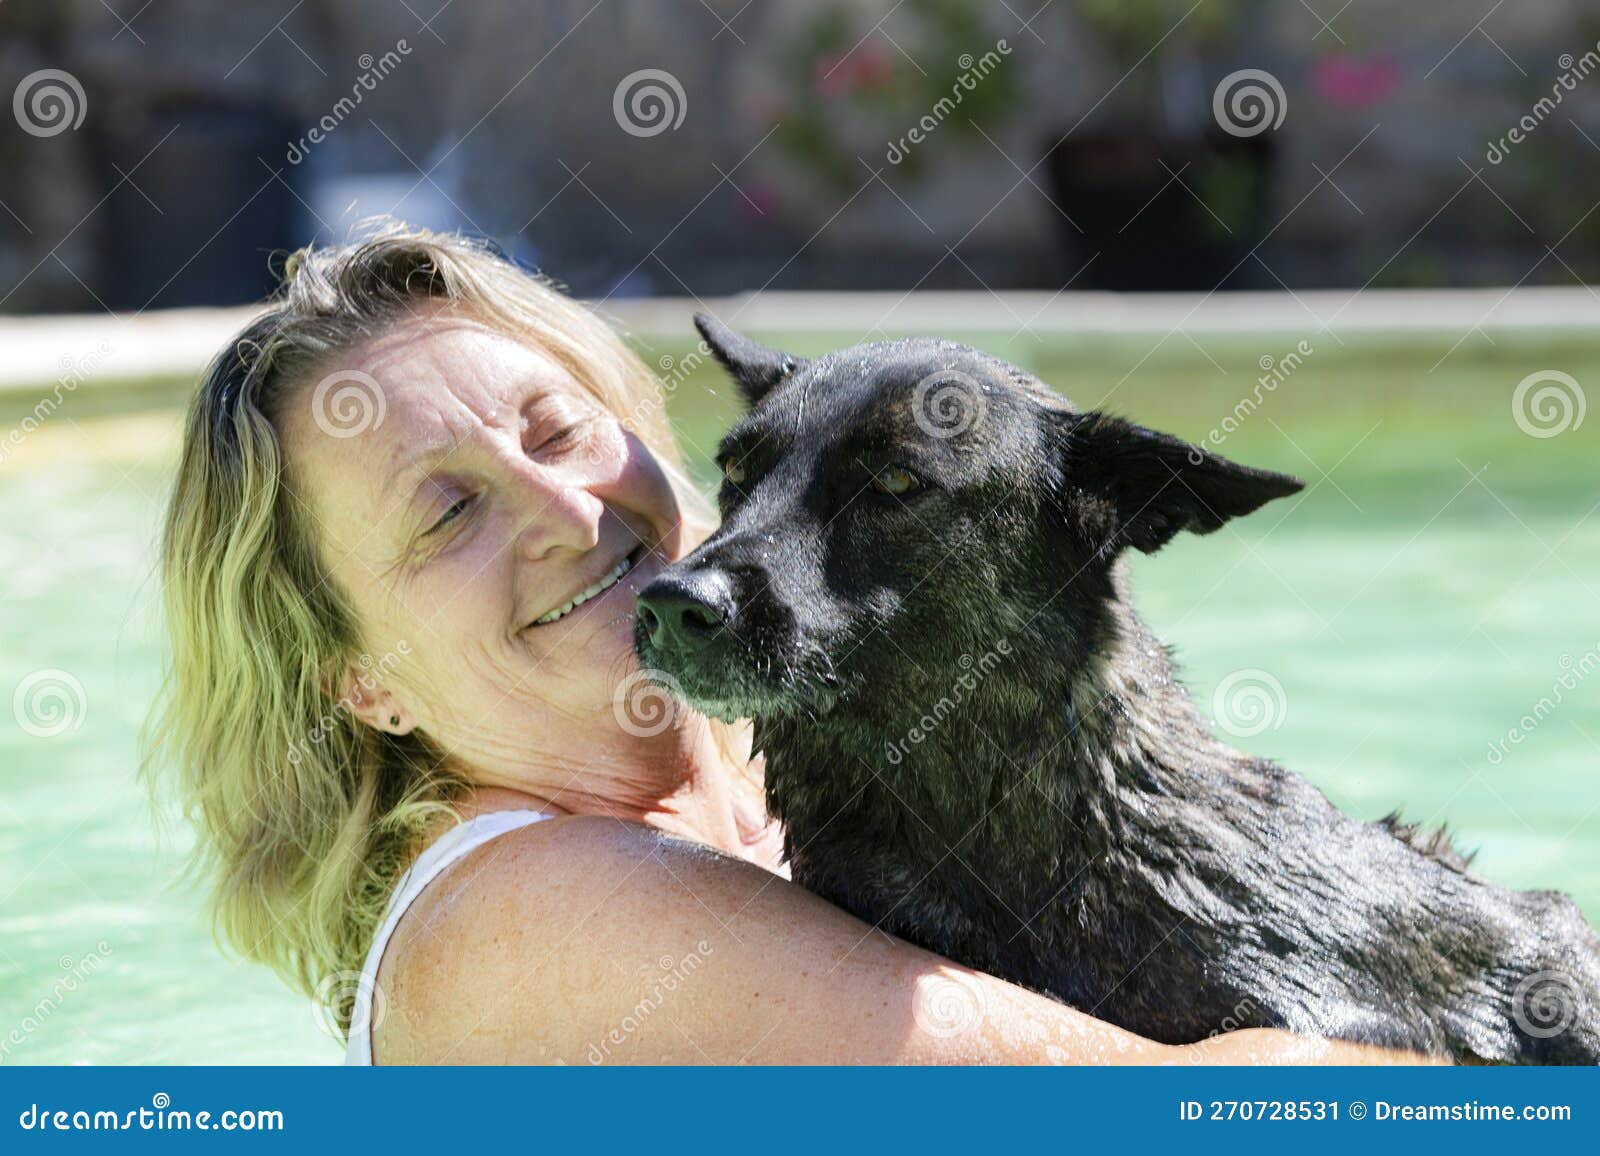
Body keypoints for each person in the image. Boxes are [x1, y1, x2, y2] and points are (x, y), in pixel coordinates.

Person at [147, 225, 1433, 1065]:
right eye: (447, 510)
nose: (561, 511)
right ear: (358, 679)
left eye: (554, 430)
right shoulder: (531, 920)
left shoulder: (825, 788)